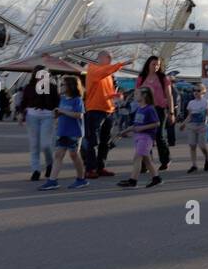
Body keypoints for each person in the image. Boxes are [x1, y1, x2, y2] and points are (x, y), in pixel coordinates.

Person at [82, 51, 128, 179]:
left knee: (105, 141)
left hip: (108, 109)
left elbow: (107, 92)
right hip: (95, 109)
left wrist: (116, 96)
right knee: (93, 141)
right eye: (109, 57)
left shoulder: (107, 74)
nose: (111, 59)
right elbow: (101, 73)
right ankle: (90, 169)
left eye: (111, 58)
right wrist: (121, 64)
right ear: (101, 57)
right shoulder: (93, 68)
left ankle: (100, 167)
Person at [39, 74, 88, 191]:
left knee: (74, 155)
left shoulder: (77, 100)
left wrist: (62, 111)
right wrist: (57, 114)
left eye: (63, 84)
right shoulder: (63, 99)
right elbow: (62, 113)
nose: (61, 86)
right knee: (58, 155)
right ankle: (52, 181)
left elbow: (79, 115)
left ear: (70, 86)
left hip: (74, 132)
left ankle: (81, 179)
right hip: (62, 131)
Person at [20, 63, 59, 181]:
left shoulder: (52, 87)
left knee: (46, 144)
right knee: (34, 145)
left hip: (47, 116)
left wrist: (57, 115)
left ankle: (49, 164)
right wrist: (21, 114)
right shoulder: (29, 87)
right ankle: (36, 170)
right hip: (32, 116)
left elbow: (57, 103)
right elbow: (24, 102)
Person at [117, 87, 162, 189]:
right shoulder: (139, 108)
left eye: (137, 94)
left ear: (144, 95)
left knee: (137, 157)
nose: (134, 95)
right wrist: (124, 131)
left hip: (146, 137)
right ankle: (156, 178)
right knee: (147, 160)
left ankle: (133, 181)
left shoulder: (149, 109)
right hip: (138, 137)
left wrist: (142, 128)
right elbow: (135, 125)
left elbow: (157, 123)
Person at [136, 55, 175, 172]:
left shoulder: (163, 78)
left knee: (159, 136)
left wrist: (171, 112)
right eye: (154, 64)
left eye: (158, 65)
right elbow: (137, 93)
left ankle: (165, 159)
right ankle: (147, 163)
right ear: (148, 64)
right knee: (145, 137)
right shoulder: (142, 78)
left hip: (159, 109)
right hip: (145, 109)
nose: (156, 67)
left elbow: (169, 96)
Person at [178, 83, 208, 173]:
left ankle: (207, 158)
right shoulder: (191, 103)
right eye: (194, 90)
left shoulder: (206, 101)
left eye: (198, 90)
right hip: (192, 126)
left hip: (202, 126)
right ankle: (194, 165)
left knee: (202, 146)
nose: (196, 92)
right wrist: (183, 124)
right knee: (192, 145)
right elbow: (189, 116)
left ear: (203, 92)